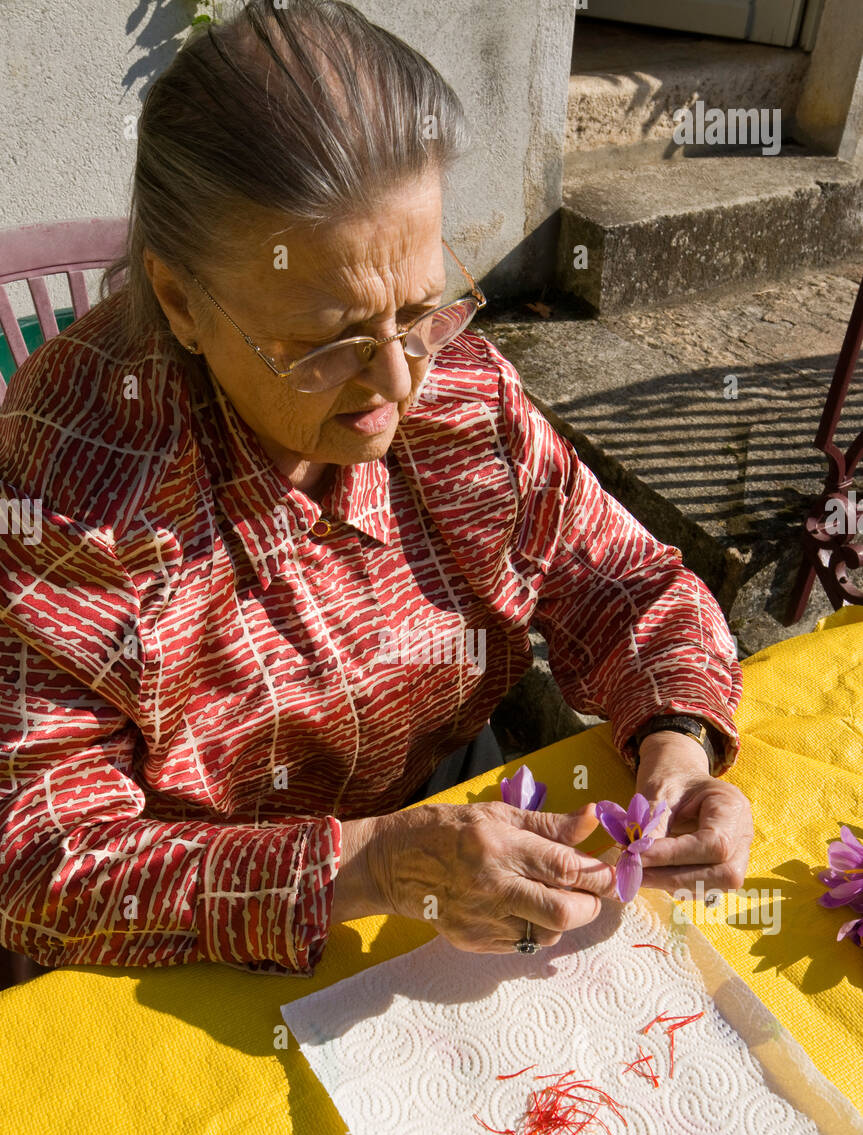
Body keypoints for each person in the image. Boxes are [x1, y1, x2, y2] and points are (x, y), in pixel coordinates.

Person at [0, 0, 753, 988]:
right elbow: (42, 866)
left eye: (418, 307)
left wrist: (676, 741)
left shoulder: (456, 395)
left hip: (438, 860)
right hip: (179, 959)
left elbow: (618, 579)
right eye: (325, 340)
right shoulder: (75, 492)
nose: (398, 381)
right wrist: (371, 863)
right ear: (182, 301)